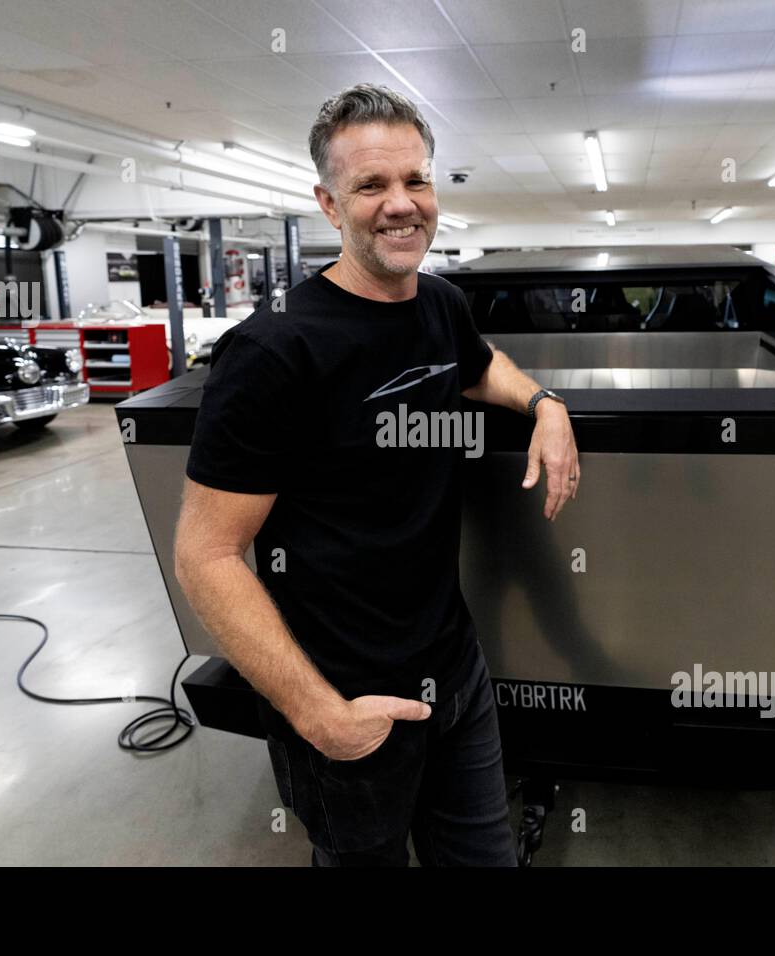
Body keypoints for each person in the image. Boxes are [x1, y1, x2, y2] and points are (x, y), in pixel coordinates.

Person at [173, 84, 580, 867]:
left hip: (456, 674)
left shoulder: (439, 303)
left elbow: (479, 366)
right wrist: (319, 715)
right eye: (371, 186)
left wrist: (545, 404)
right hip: (349, 701)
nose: (402, 204)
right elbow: (206, 556)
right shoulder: (272, 352)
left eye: (416, 180)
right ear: (329, 204)